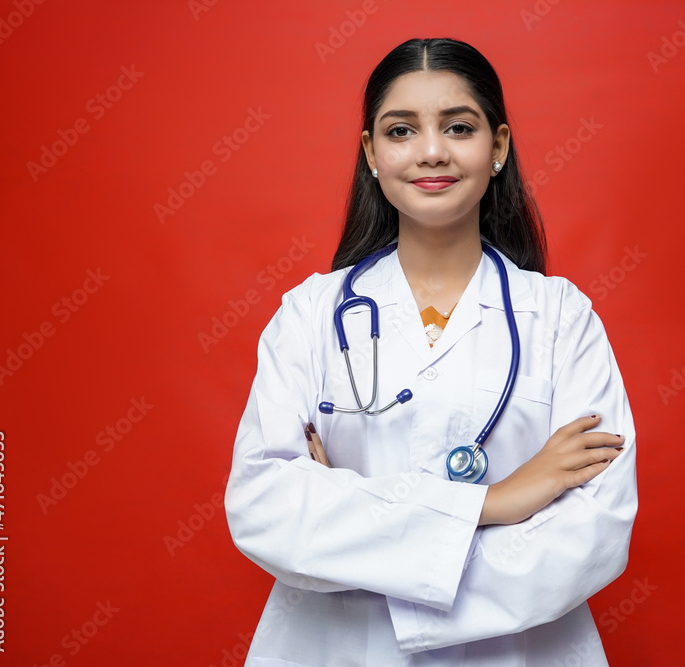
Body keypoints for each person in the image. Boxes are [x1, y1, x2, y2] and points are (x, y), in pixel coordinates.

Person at [225, 37, 637, 666]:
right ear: (371, 153)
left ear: (497, 147)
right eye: (401, 131)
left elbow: (595, 532)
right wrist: (496, 502)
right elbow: (265, 509)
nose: (432, 151)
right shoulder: (309, 316)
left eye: (458, 127)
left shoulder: (561, 318)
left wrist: (352, 514)